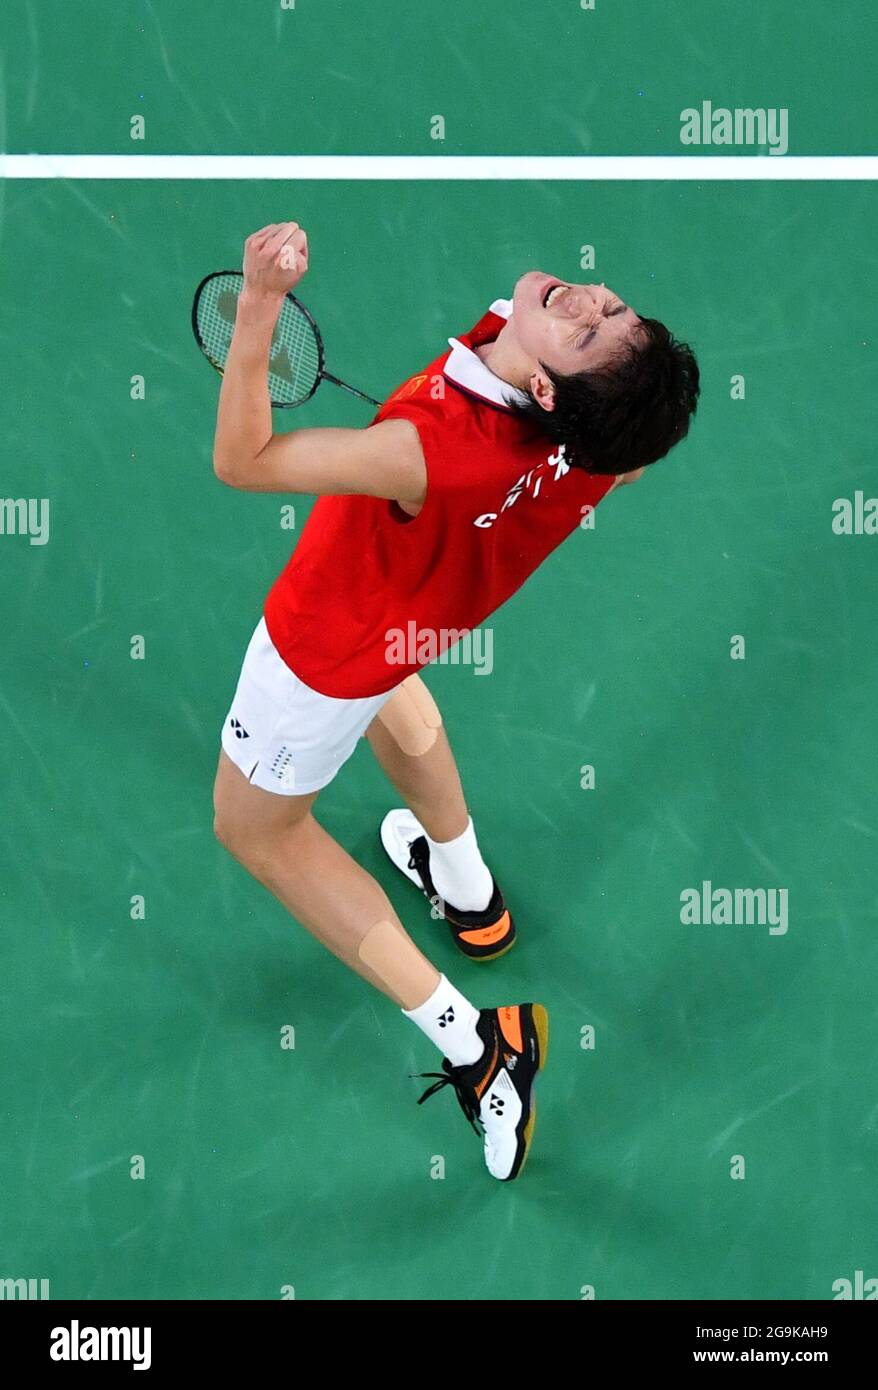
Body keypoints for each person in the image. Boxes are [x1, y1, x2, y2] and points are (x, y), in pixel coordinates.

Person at [211, 221, 700, 1181]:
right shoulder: (602, 435)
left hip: (326, 650)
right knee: (401, 681)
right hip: (425, 608)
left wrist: (260, 302)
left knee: (258, 833)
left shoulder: (424, 452)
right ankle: (470, 893)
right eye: (612, 307)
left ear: (553, 389)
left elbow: (244, 462)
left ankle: (478, 1046)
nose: (588, 298)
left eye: (592, 329)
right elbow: (635, 457)